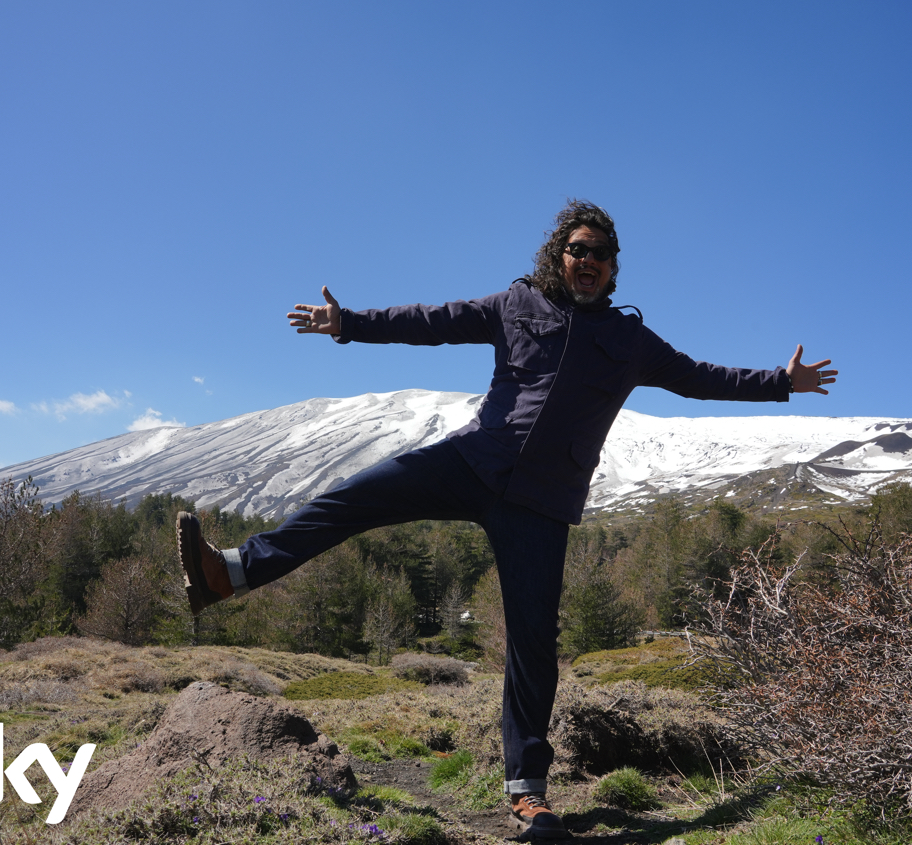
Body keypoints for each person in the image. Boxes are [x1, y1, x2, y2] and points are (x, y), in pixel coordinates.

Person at [177, 199, 837, 840]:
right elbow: (432, 320)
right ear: (560, 254)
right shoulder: (517, 303)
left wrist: (781, 381)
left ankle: (527, 793)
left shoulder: (630, 340)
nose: (589, 261)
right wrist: (347, 321)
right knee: (355, 497)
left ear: (613, 270)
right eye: (579, 249)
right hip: (474, 460)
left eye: (602, 256)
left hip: (541, 504)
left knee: (533, 647)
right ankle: (232, 572)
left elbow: (699, 376)